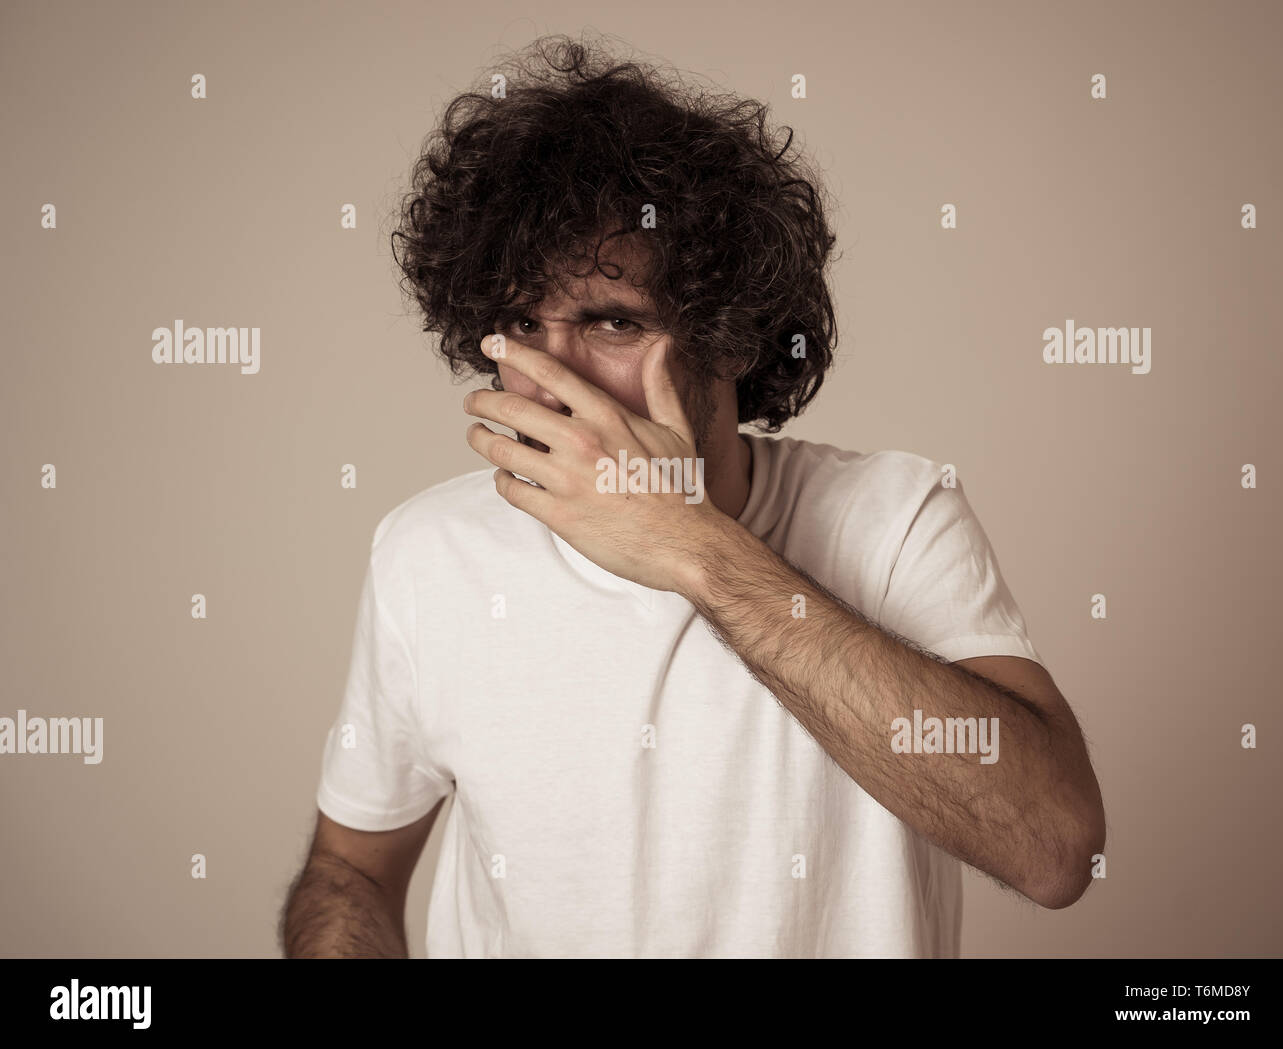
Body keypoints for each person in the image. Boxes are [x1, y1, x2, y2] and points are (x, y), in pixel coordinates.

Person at [279, 34, 1105, 959]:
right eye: (520, 323)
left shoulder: (898, 517)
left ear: (733, 336)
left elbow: (1055, 846)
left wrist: (693, 547)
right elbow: (348, 870)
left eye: (612, 322)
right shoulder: (426, 553)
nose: (548, 379)